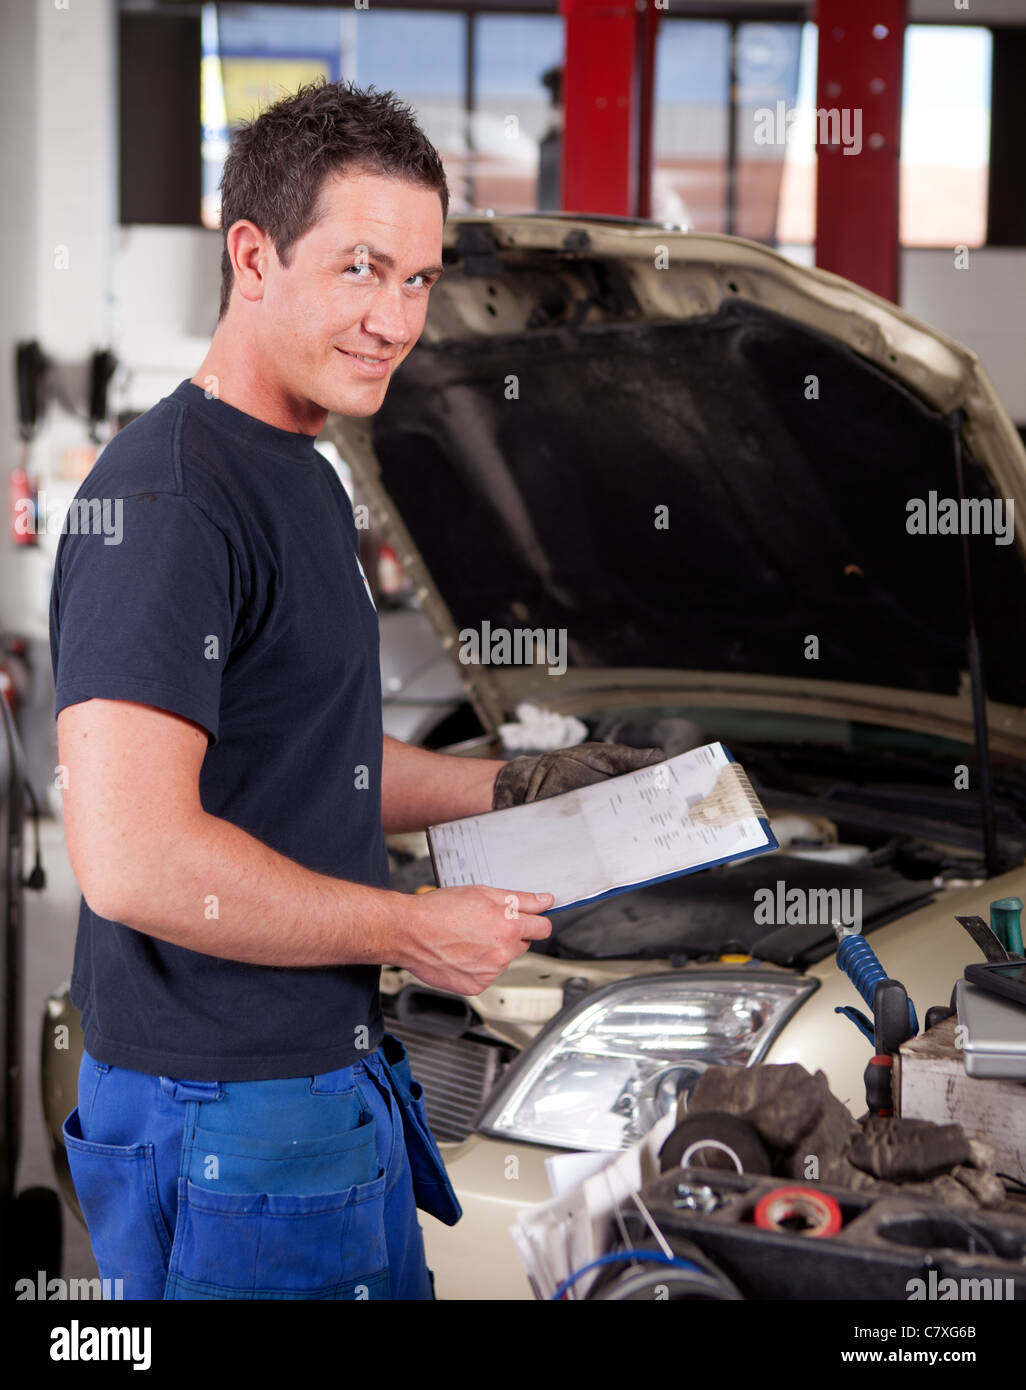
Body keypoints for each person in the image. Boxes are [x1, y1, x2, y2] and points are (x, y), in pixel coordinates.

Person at [49, 79, 659, 1301]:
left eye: (420, 280)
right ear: (253, 255)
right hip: (225, 1115)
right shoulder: (171, 502)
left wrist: (519, 782)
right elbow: (133, 859)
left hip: (319, 1089)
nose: (396, 318)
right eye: (362, 270)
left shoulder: (306, 469)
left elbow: (311, 753)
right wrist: (408, 928)